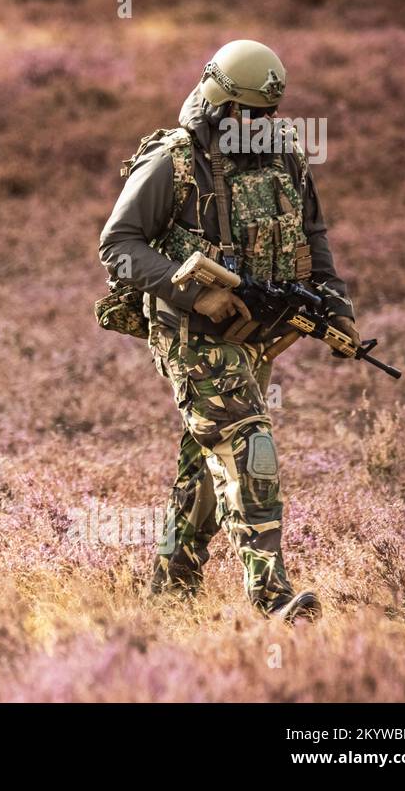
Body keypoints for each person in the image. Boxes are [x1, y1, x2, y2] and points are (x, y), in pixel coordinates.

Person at [98, 39, 359, 622]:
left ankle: (170, 590)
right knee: (247, 443)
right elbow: (118, 246)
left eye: (268, 115)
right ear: (220, 104)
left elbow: (312, 233)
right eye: (249, 114)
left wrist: (335, 305)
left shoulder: (285, 156)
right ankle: (273, 599)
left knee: (206, 453)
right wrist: (196, 292)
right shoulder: (174, 159)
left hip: (256, 332)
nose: (260, 126)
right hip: (188, 329)